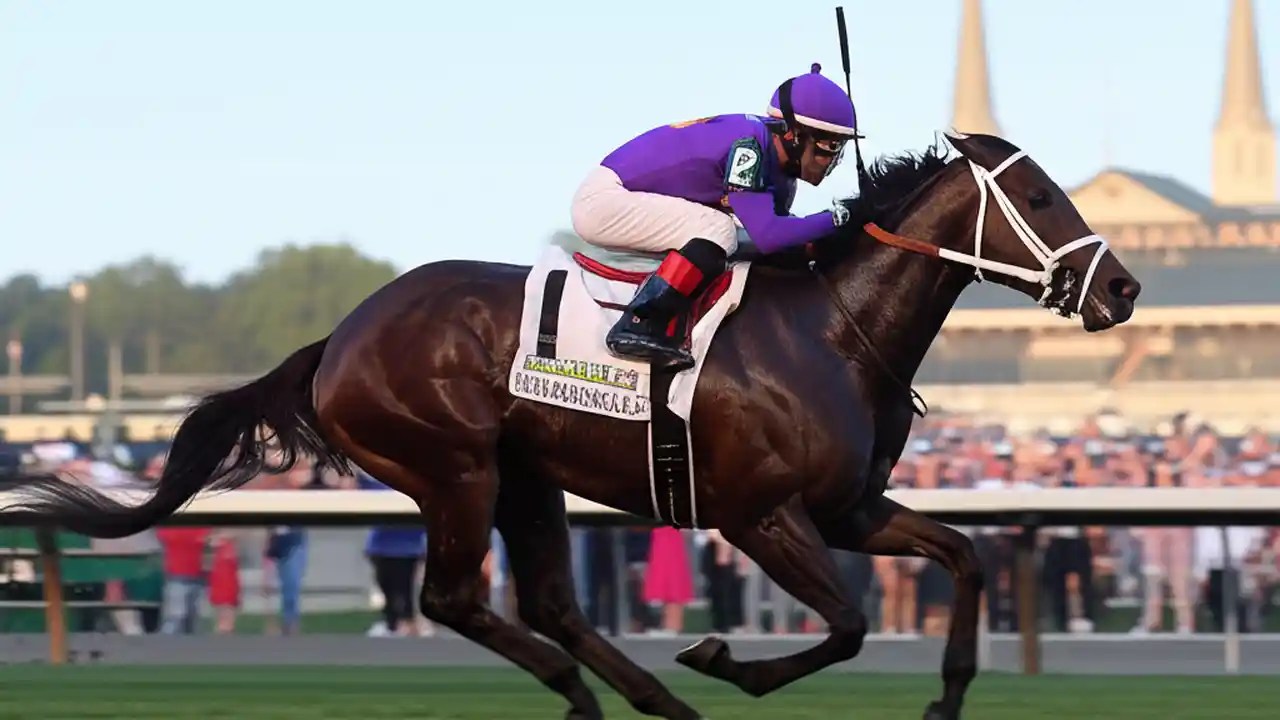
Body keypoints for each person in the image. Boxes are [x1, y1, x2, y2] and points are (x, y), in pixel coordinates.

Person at [570, 63, 861, 370]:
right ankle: (639, 323)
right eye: (829, 146)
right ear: (792, 134)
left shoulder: (779, 170)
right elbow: (769, 235)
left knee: (732, 236)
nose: (833, 159)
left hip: (625, 196)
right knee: (720, 230)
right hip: (603, 201)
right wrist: (839, 217)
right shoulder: (749, 149)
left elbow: (775, 240)